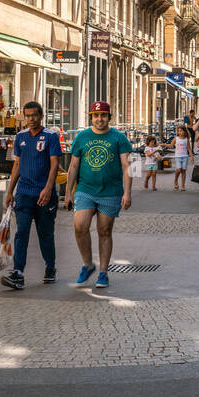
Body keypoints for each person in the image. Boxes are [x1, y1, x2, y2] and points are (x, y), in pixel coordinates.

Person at [64, 101, 133, 290]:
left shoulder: (119, 138)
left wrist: (127, 193)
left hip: (110, 191)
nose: (99, 119)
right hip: (85, 189)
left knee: (104, 231)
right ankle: (88, 264)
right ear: (91, 118)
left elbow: (127, 166)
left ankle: (103, 272)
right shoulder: (82, 137)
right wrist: (68, 193)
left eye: (103, 115)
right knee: (80, 226)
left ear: (109, 117)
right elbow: (73, 166)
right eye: (96, 115)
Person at [0, 102, 62, 291]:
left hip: (45, 195)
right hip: (24, 194)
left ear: (41, 116)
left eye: (34, 115)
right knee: (21, 233)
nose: (31, 119)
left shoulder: (51, 136)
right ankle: (18, 273)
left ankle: (50, 268)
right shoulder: (20, 137)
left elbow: (54, 165)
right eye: (27, 116)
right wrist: (10, 191)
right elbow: (17, 165)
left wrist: (48, 189)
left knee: (45, 234)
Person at [172, 124, 192, 191]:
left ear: (184, 131)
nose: (179, 132)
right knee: (178, 170)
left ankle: (183, 185)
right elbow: (170, 145)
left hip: (185, 156)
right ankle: (175, 181)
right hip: (178, 156)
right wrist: (161, 144)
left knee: (183, 171)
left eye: (181, 131)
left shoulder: (186, 139)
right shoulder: (176, 138)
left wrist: (191, 156)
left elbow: (189, 148)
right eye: (178, 131)